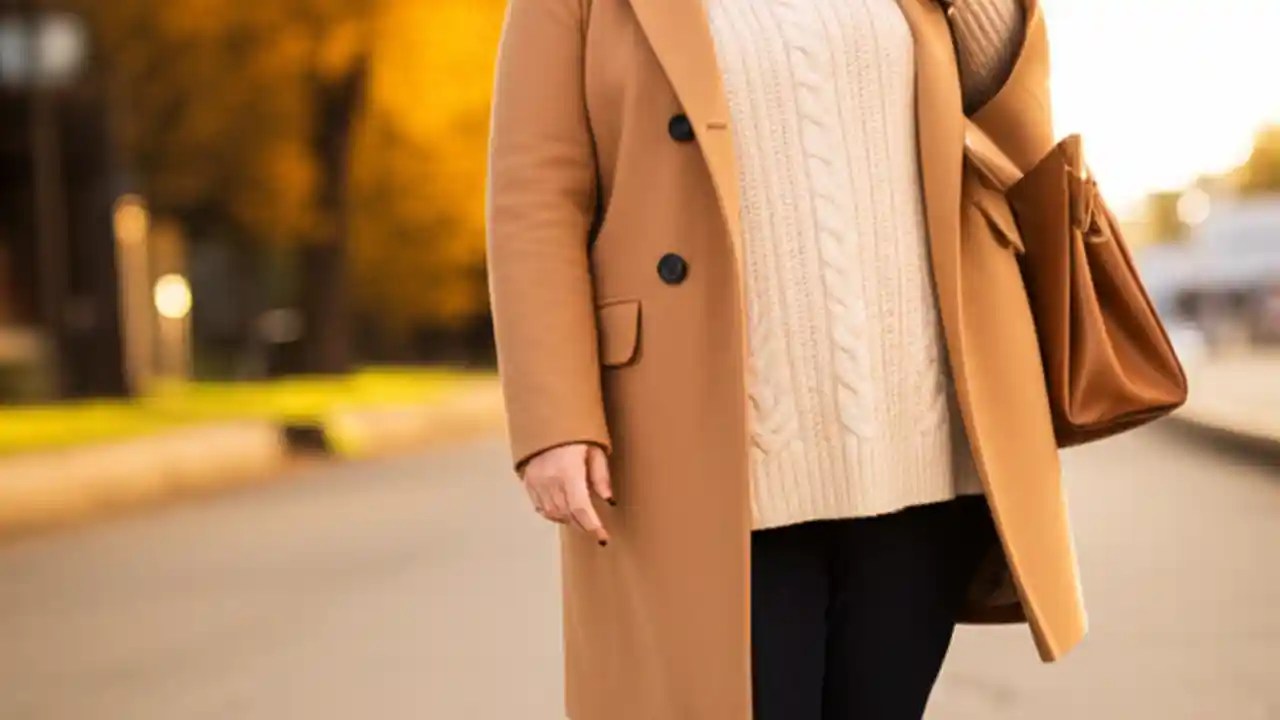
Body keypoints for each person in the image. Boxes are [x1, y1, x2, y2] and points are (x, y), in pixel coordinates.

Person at [485, 0, 1088, 718]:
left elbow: (1017, 132)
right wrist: (554, 415)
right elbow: (535, 197)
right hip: (707, 444)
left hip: (917, 434)